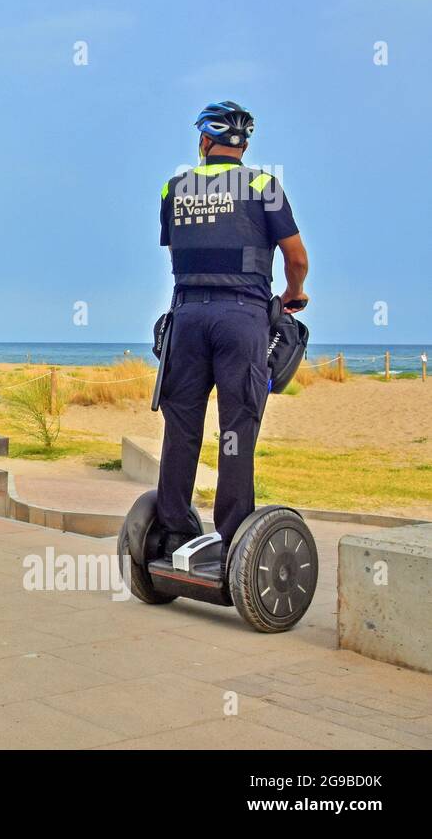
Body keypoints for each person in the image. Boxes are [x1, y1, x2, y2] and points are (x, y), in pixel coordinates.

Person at [155, 101, 308, 558]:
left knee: (181, 425)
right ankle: (233, 536)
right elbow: (296, 258)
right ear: (244, 145)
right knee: (236, 426)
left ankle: (172, 529)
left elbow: (178, 250)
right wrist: (291, 293)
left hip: (186, 316)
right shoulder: (265, 186)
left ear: (204, 141)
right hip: (242, 318)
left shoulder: (173, 188)